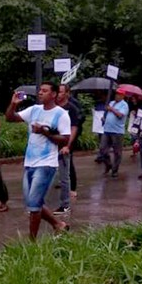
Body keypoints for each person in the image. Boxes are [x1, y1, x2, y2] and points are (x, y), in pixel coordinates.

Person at [5, 82, 71, 239]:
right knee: (33, 202)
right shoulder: (34, 109)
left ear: (53, 94)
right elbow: (10, 118)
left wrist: (44, 132)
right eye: (40, 90)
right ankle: (58, 224)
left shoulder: (61, 114)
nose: (40, 93)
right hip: (29, 163)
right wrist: (13, 104)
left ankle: (32, 242)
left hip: (46, 164)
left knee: (34, 205)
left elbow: (65, 139)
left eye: (45, 91)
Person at [54, 82, 82, 215]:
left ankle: (68, 196)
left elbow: (74, 128)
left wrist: (68, 145)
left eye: (60, 92)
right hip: (52, 142)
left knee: (67, 168)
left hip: (65, 143)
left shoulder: (72, 109)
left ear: (67, 93)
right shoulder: (53, 107)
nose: (58, 94)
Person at [101, 90, 129, 179]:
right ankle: (108, 164)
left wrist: (112, 109)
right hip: (107, 130)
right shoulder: (111, 103)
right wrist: (104, 118)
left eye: (119, 94)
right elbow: (107, 113)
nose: (117, 96)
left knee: (117, 152)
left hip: (117, 131)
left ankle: (115, 170)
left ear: (123, 96)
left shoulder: (124, 105)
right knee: (102, 149)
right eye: (116, 94)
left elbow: (120, 115)